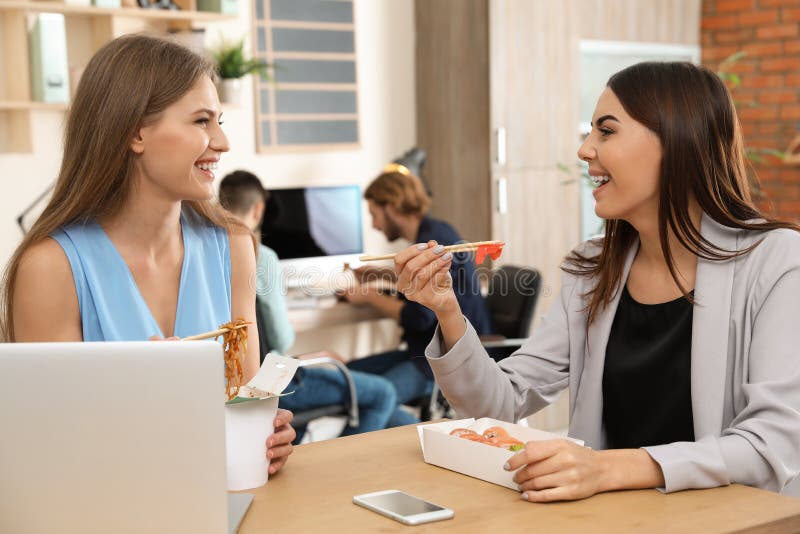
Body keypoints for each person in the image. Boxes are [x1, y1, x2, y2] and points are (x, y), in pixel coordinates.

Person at [394, 61, 800, 501]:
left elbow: (774, 443)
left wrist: (607, 468)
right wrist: (447, 310)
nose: (585, 149)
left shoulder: (777, 262)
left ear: (678, 140)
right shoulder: (591, 268)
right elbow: (499, 404)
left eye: (606, 131)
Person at [0, 35, 294, 475]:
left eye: (219, 120)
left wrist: (266, 441)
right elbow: (50, 454)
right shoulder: (51, 268)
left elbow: (245, 404)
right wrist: (144, 398)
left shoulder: (233, 246)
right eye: (200, 121)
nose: (222, 142)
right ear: (135, 132)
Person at [218, 170, 409, 438]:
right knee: (383, 394)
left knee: (395, 413)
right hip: (272, 383)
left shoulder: (209, 249)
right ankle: (351, 472)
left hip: (228, 387)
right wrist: (317, 356)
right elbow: (280, 340)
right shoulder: (260, 256)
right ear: (259, 209)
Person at [342, 164, 491, 425]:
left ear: (391, 207)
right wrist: (381, 275)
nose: (375, 225)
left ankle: (430, 437)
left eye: (374, 215)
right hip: (418, 351)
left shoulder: (433, 243)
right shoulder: (433, 233)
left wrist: (370, 297)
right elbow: (421, 288)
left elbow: (418, 317)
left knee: (368, 398)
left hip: (436, 361)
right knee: (345, 376)